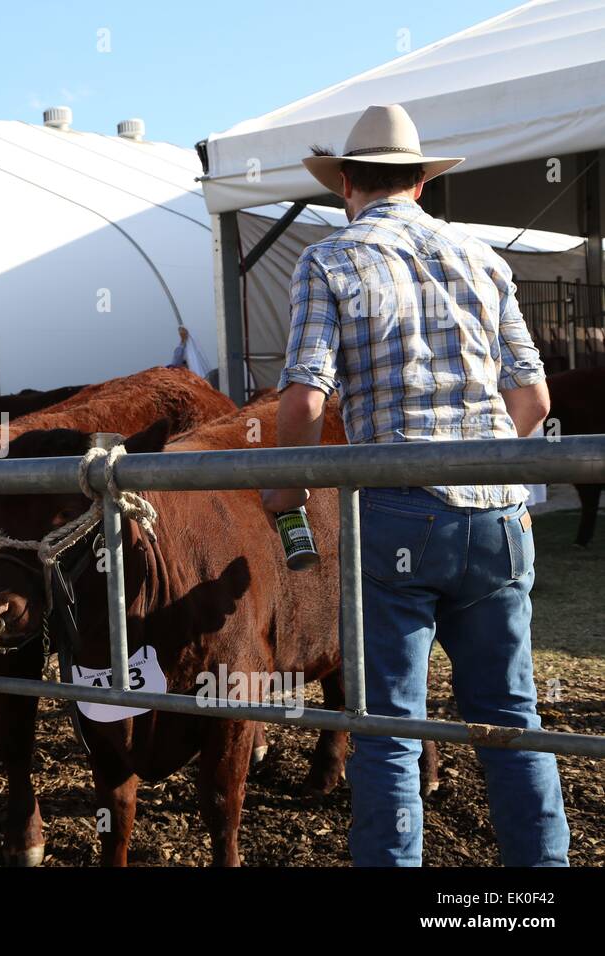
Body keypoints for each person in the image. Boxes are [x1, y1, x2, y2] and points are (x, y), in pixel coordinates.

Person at [260, 104, 568, 866]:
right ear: (424, 182)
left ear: (345, 186)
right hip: (499, 516)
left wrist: (286, 491)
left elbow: (304, 398)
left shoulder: (330, 260)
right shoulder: (483, 259)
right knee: (510, 717)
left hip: (397, 508)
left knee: (390, 727)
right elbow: (533, 399)